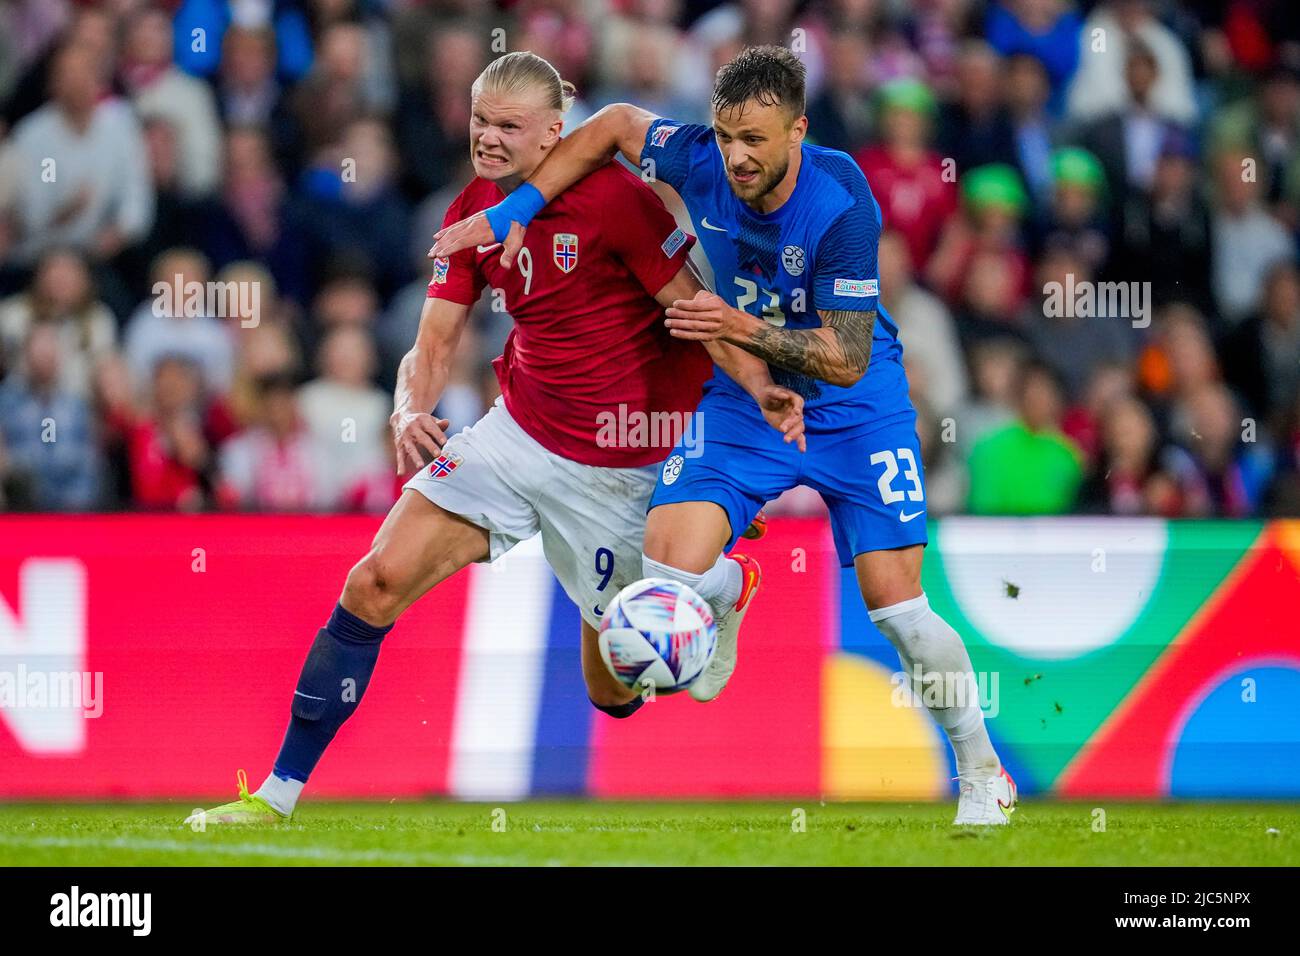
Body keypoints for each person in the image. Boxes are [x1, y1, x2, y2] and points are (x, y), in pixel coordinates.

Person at [186, 52, 803, 826]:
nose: (488, 138)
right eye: (480, 120)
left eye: (509, 126)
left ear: (555, 132)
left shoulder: (617, 202)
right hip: (517, 437)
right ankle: (275, 797)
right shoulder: (472, 210)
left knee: (612, 693)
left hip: (625, 464)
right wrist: (411, 404)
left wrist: (761, 393)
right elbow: (435, 339)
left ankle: (720, 586)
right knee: (373, 583)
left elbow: (697, 311)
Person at [433, 45, 1016, 825]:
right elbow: (610, 124)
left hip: (854, 406)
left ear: (797, 131)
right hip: (747, 398)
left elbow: (843, 358)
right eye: (727, 135)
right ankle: (727, 591)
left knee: (896, 607)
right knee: (663, 565)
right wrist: (516, 208)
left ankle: (981, 770)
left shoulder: (842, 200)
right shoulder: (698, 156)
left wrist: (734, 324)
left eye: (756, 141)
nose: (737, 156)